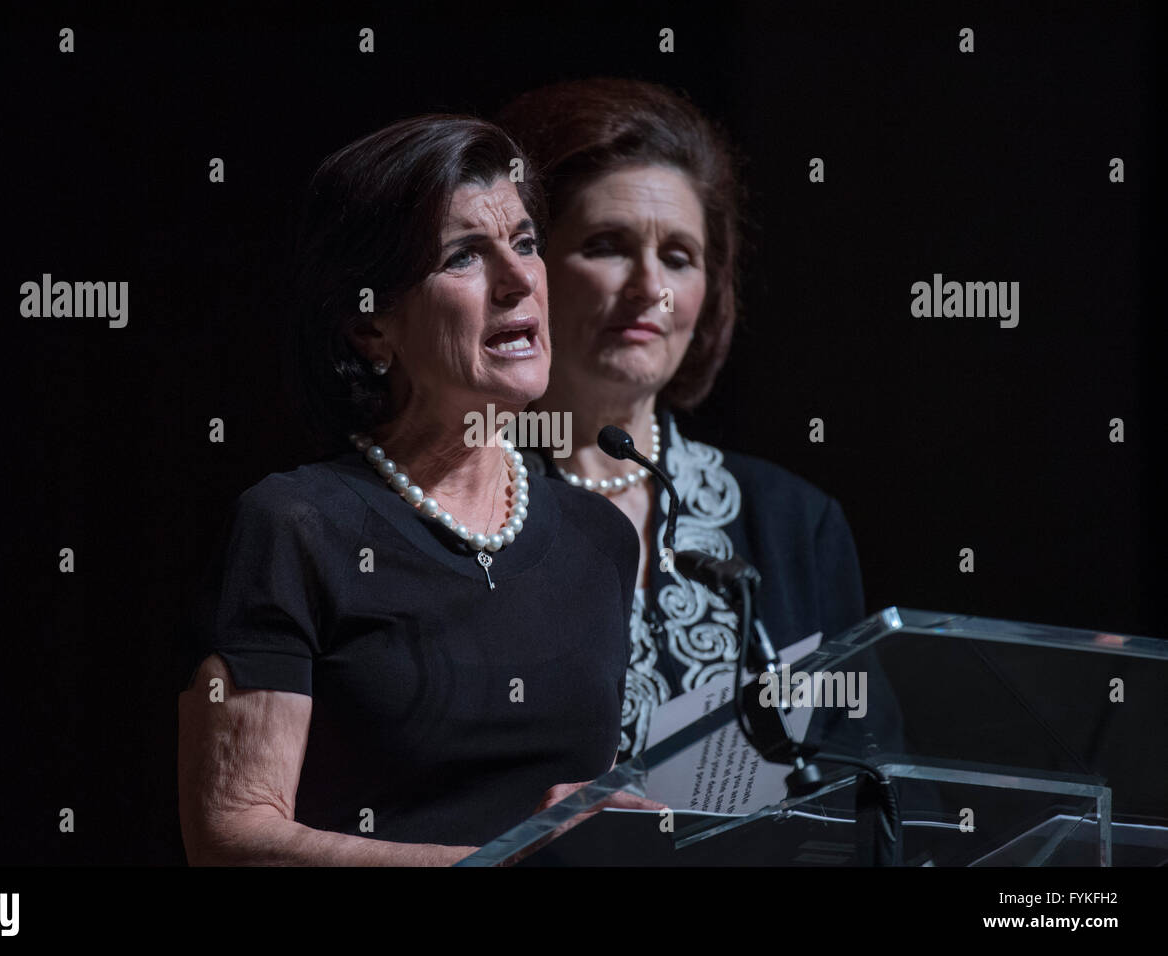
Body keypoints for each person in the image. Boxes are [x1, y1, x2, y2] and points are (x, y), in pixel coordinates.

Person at [176, 115, 657, 866]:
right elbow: (234, 838)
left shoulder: (598, 538)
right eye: (465, 255)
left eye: (526, 243)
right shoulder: (296, 527)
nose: (519, 278)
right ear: (372, 328)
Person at [496, 79, 867, 761]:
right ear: (526, 270)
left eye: (678, 257)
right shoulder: (445, 507)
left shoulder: (792, 523)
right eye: (607, 244)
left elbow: (875, 783)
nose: (649, 290)